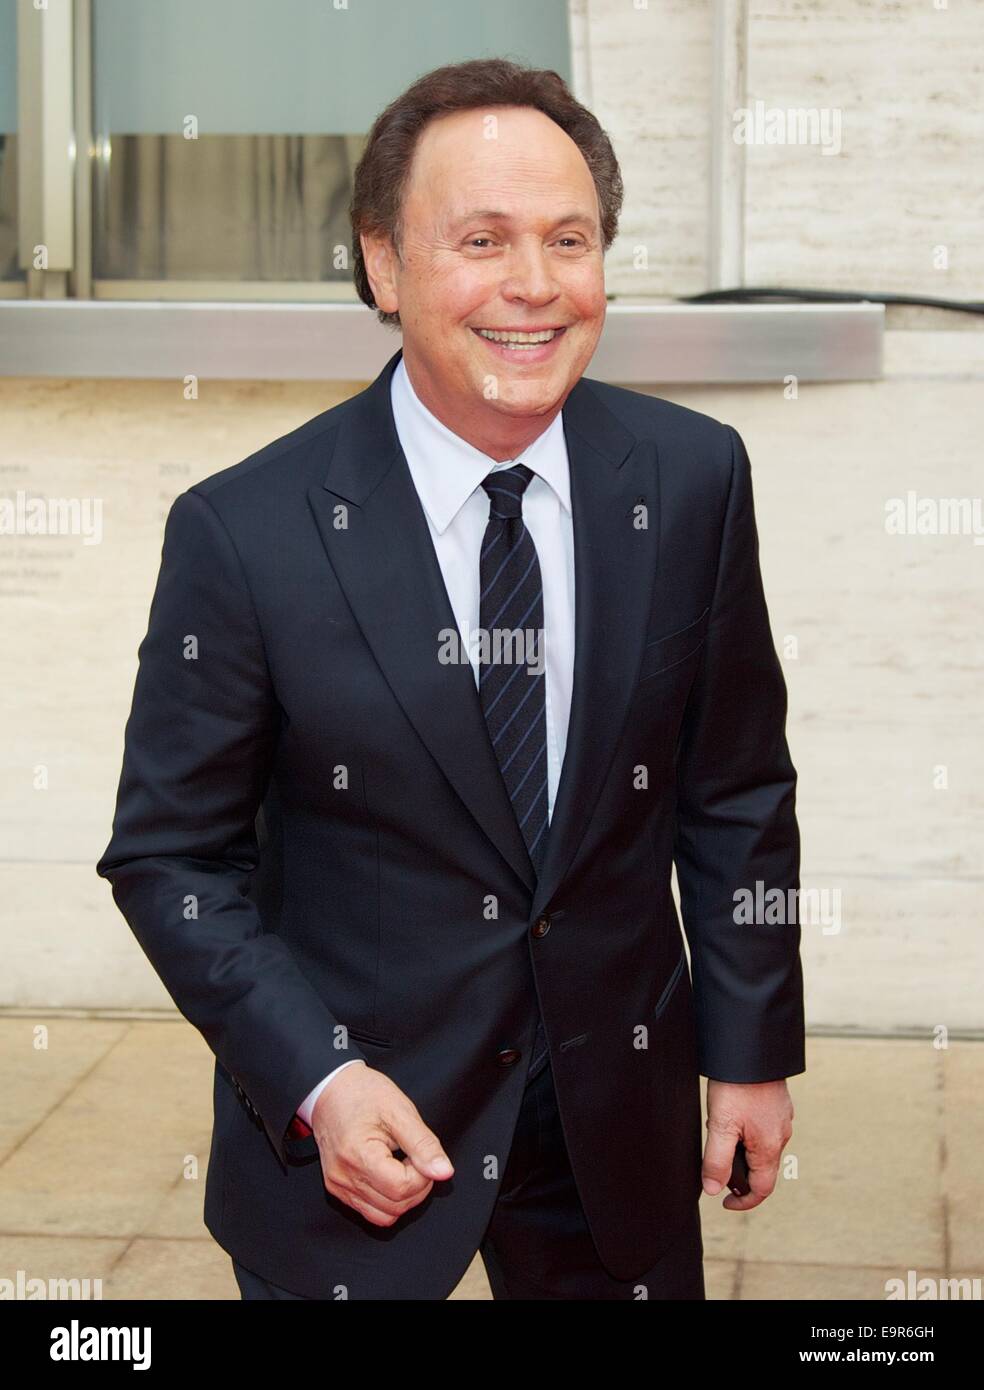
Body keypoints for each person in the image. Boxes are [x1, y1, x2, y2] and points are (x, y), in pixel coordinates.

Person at [96, 57, 804, 1301]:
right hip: (360, 1139)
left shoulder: (693, 479)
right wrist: (318, 1080)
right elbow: (171, 857)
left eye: (569, 239)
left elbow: (736, 791)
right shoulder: (246, 531)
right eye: (482, 239)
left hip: (612, 1128)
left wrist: (750, 1053)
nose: (534, 285)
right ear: (383, 263)